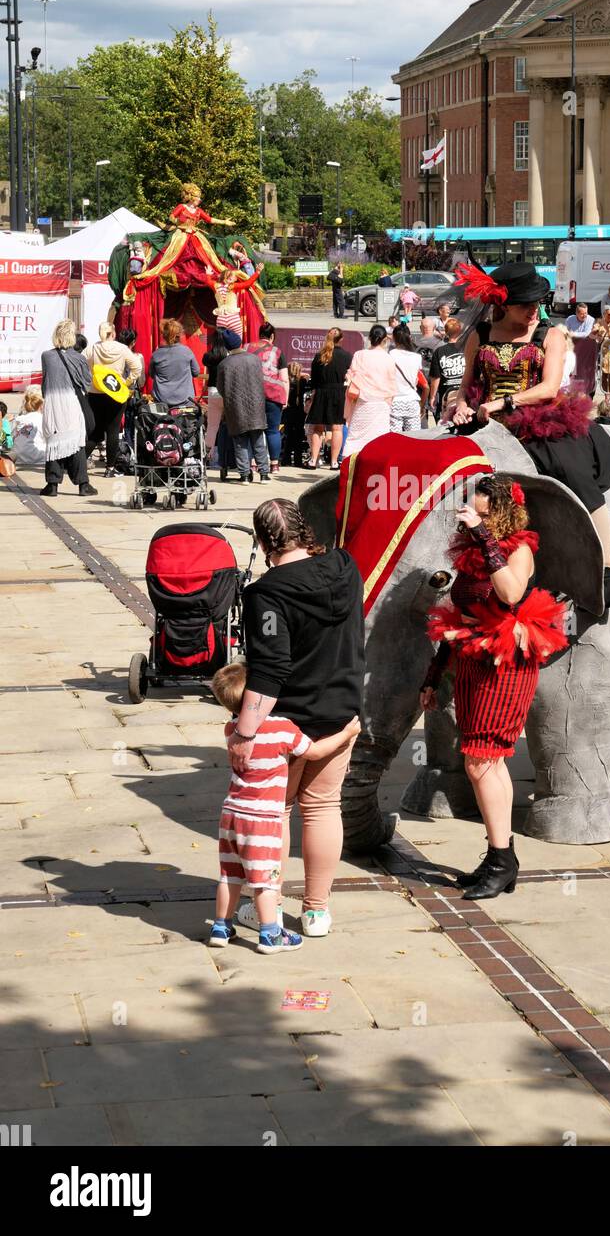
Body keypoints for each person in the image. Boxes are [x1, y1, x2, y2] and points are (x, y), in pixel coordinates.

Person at [420, 476, 567, 900]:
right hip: (471, 661)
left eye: (481, 513)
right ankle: (499, 856)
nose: (470, 518)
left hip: (505, 663)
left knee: (483, 760)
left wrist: (484, 537)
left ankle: (502, 860)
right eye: (471, 511)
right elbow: (455, 618)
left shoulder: (516, 550)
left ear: (500, 515)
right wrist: (434, 677)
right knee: (481, 761)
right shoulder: (469, 553)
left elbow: (509, 594)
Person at [451, 261, 610, 609]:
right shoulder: (478, 336)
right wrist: (458, 405)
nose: (534, 311)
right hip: (485, 421)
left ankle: (607, 567)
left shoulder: (550, 335)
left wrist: (503, 402)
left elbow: (547, 388)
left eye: (536, 303)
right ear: (502, 304)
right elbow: (464, 386)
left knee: (572, 470)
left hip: (538, 419)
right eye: (525, 305)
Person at [230, 498, 365, 939]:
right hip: (340, 710)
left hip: (283, 721)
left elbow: (270, 672)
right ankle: (316, 912)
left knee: (278, 813)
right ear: (304, 531)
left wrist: (244, 734)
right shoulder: (346, 567)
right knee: (324, 807)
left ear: (264, 540)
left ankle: (264, 906)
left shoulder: (266, 594)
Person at [209, 659, 359, 953]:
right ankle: (271, 934)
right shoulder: (282, 729)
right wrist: (346, 734)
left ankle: (220, 928)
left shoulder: (232, 731)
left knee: (230, 875)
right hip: (262, 822)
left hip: (231, 816)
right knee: (266, 880)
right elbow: (315, 752)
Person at [39, 318, 97, 498]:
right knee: (75, 441)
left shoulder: (46, 356)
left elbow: (45, 381)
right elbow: (86, 382)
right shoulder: (78, 357)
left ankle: (52, 484)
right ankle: (83, 485)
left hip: (52, 402)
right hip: (70, 402)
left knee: (54, 440)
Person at [83, 321, 143, 476]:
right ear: (113, 333)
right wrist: (126, 382)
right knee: (113, 430)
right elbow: (137, 367)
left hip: (95, 393)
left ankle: (79, 461)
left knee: (96, 431)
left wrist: (89, 378)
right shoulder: (122, 349)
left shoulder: (92, 348)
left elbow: (81, 364)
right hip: (116, 393)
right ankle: (110, 468)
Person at [215, 330, 270, 484]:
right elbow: (261, 381)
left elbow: (220, 388)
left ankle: (245, 475)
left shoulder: (224, 365)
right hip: (256, 405)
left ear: (227, 347)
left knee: (240, 442)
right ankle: (264, 474)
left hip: (235, 407)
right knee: (258, 440)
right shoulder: (254, 359)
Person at [343, 323, 398, 456]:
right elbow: (392, 383)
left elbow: (352, 376)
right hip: (382, 403)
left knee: (356, 437)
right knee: (379, 439)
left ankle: (350, 468)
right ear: (385, 339)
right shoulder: (388, 358)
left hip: (363, 401)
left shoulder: (359, 355)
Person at [306, 328, 351, 470]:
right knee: (337, 428)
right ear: (341, 339)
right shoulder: (347, 356)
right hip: (339, 393)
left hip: (321, 392)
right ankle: (334, 462)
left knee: (317, 428)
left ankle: (313, 460)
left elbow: (313, 379)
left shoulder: (319, 355)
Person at [247, 322, 289, 476]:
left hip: (252, 393)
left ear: (259, 334)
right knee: (273, 431)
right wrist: (285, 398)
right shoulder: (278, 351)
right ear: (272, 336)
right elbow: (284, 378)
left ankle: (252, 463)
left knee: (253, 430)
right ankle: (274, 465)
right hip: (274, 394)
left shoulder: (247, 348)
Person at [149, 318, 200, 407]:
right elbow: (196, 372)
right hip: (185, 401)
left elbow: (151, 374)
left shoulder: (156, 354)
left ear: (164, 335)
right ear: (180, 335)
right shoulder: (186, 351)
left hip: (162, 401)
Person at [389, 322, 426, 432]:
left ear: (394, 338)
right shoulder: (417, 357)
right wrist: (422, 406)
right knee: (413, 439)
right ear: (409, 337)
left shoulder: (391, 355)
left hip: (395, 401)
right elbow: (424, 384)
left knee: (394, 440)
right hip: (412, 401)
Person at [429, 318, 467, 420]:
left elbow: (436, 377)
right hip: (465, 395)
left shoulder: (439, 351)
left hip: (445, 395)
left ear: (446, 332)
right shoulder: (467, 348)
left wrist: (432, 397)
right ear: (460, 332)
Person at [202, 330, 228, 463]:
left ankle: (208, 455)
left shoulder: (208, 356)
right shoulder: (228, 356)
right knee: (230, 425)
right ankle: (229, 456)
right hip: (227, 392)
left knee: (212, 426)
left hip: (213, 390)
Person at [280, 361, 310, 468]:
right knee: (298, 438)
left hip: (288, 411)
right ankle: (298, 461)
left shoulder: (286, 382)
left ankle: (285, 459)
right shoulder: (302, 382)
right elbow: (308, 379)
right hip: (299, 412)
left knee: (287, 436)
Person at [10, 388, 46, 467]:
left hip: (18, 458)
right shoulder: (43, 419)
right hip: (36, 458)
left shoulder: (20, 419)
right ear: (42, 405)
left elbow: (13, 437)